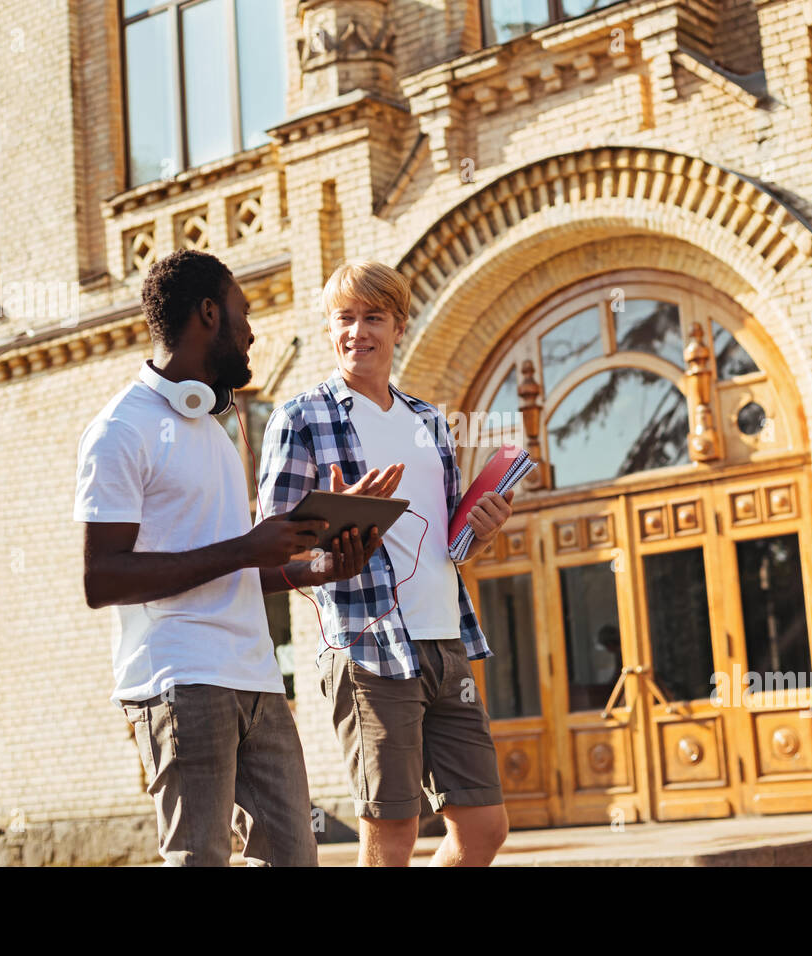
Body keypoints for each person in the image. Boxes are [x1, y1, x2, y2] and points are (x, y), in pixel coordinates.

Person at [73, 249, 382, 866]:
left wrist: (321, 566)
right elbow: (102, 577)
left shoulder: (211, 431)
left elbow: (238, 567)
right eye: (243, 313)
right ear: (208, 314)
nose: (252, 330)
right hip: (179, 681)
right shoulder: (120, 431)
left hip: (256, 679)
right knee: (200, 858)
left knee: (294, 856)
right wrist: (246, 545)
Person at [260, 259, 515, 866]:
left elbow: (445, 542)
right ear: (329, 328)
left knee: (484, 829)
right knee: (392, 833)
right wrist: (336, 521)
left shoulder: (428, 421)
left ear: (400, 325)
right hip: (367, 646)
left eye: (373, 317)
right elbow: (272, 547)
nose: (357, 332)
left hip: (445, 640)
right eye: (344, 318)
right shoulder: (301, 418)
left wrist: (481, 531)